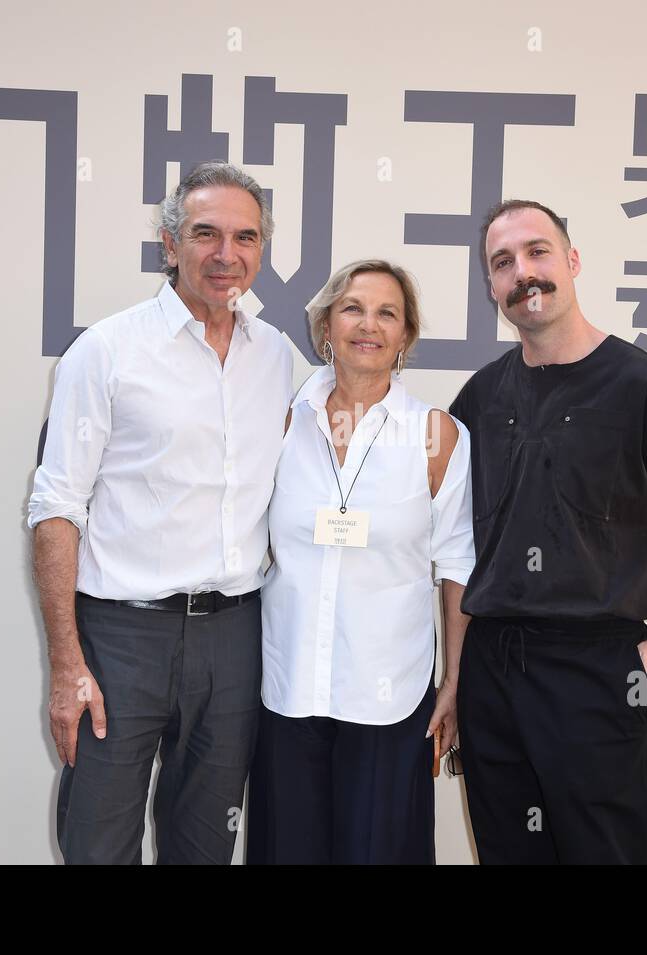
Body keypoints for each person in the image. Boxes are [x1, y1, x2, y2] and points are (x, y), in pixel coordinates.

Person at [447, 199, 647, 864]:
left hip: (597, 670)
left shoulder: (643, 385)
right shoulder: (481, 398)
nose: (524, 272)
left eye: (537, 251)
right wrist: (460, 676)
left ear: (572, 261)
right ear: (491, 286)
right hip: (495, 667)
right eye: (503, 263)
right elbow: (461, 550)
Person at [26, 162, 293, 864]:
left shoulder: (278, 357)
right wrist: (66, 663)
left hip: (236, 636)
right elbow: (55, 508)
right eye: (205, 234)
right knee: (98, 843)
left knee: (204, 847)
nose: (225, 254)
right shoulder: (108, 351)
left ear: (262, 250)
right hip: (120, 639)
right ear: (169, 244)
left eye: (245, 236)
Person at [245, 260, 475, 864]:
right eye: (352, 308)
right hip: (288, 689)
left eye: (386, 313)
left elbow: (457, 566)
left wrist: (453, 681)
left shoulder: (436, 434)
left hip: (389, 699)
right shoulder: (283, 420)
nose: (367, 325)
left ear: (405, 337)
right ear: (325, 325)